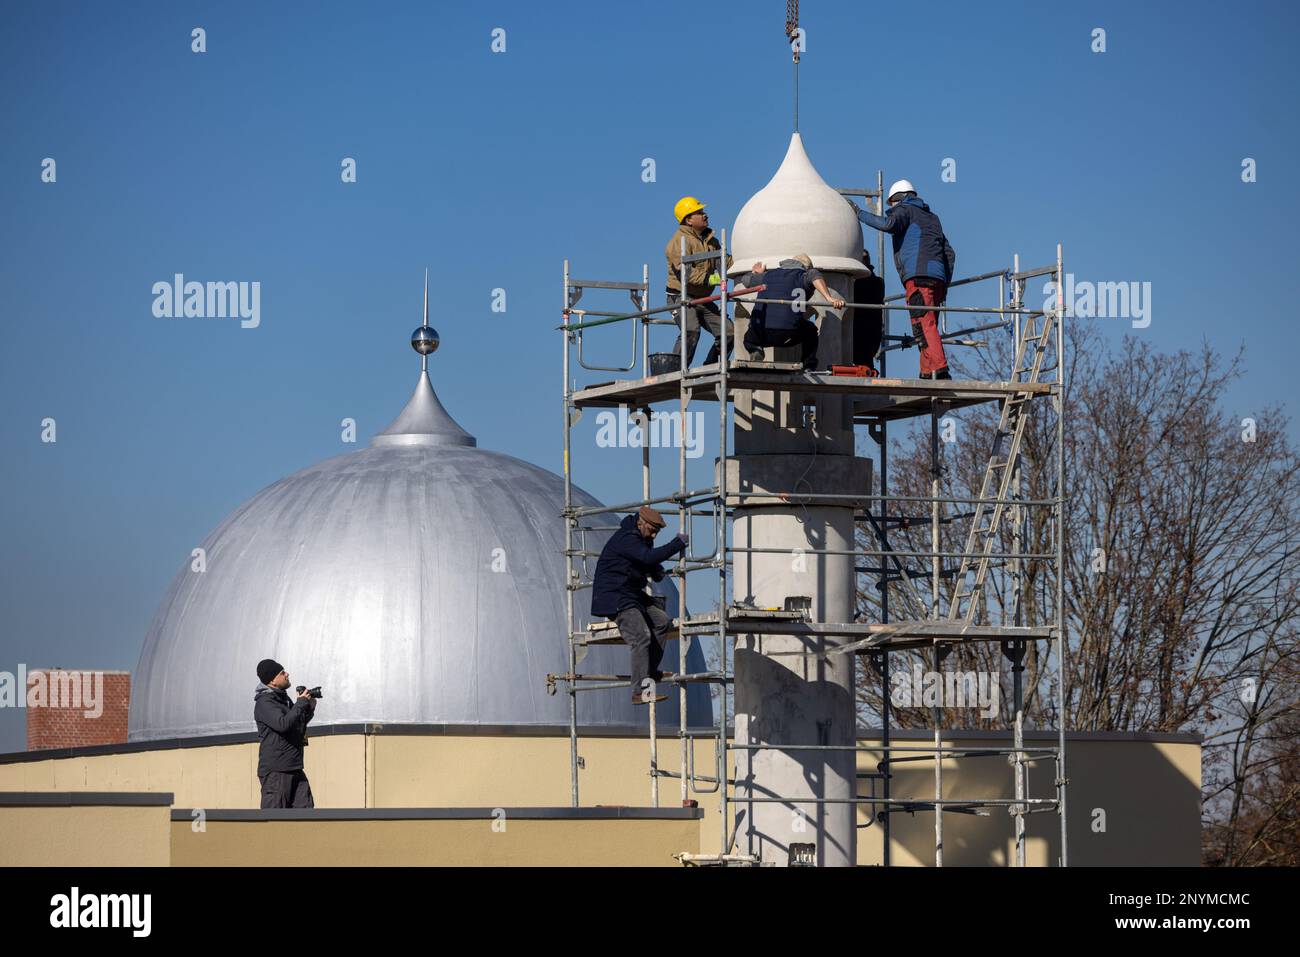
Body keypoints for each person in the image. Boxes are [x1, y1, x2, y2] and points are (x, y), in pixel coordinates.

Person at [853, 180, 957, 379]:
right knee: (926, 325)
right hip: (937, 280)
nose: (891, 208)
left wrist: (859, 214)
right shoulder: (932, 218)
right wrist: (944, 282)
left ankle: (940, 369)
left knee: (923, 324)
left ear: (897, 198)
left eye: (891, 203)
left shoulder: (905, 209)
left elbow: (889, 224)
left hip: (918, 278)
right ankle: (927, 371)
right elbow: (950, 253)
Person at [590, 505, 689, 704]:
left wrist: (656, 569)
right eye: (652, 531)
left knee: (662, 621)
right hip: (615, 595)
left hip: (631, 593)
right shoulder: (627, 538)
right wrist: (677, 543)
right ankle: (639, 691)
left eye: (657, 533)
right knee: (641, 636)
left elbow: (644, 560)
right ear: (640, 523)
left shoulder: (641, 540)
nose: (653, 536)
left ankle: (648, 672)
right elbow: (645, 557)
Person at [737, 253, 844, 371]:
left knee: (749, 336)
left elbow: (746, 280)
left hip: (762, 334)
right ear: (805, 268)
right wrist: (829, 298)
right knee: (811, 331)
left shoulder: (767, 275)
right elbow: (814, 274)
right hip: (790, 334)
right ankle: (808, 365)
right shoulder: (803, 275)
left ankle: (756, 349)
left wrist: (756, 273)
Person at [665, 196, 734, 368]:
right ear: (688, 220)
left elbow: (727, 263)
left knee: (729, 332)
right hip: (680, 296)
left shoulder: (711, 241)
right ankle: (676, 370)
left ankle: (711, 365)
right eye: (699, 212)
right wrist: (715, 279)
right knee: (691, 330)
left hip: (702, 298)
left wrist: (746, 264)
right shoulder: (678, 242)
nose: (705, 215)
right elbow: (687, 275)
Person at [253, 658, 316, 808]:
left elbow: (295, 724)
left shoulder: (282, 699)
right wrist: (300, 703)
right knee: (276, 819)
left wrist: (309, 708)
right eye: (282, 673)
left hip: (294, 767)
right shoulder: (265, 702)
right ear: (272, 681)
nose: (287, 674)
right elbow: (283, 724)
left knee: (306, 815)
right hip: (277, 771)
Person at [851, 248, 886, 373]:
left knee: (861, 360)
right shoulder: (878, 282)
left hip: (860, 327)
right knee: (866, 361)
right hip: (872, 328)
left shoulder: (856, 282)